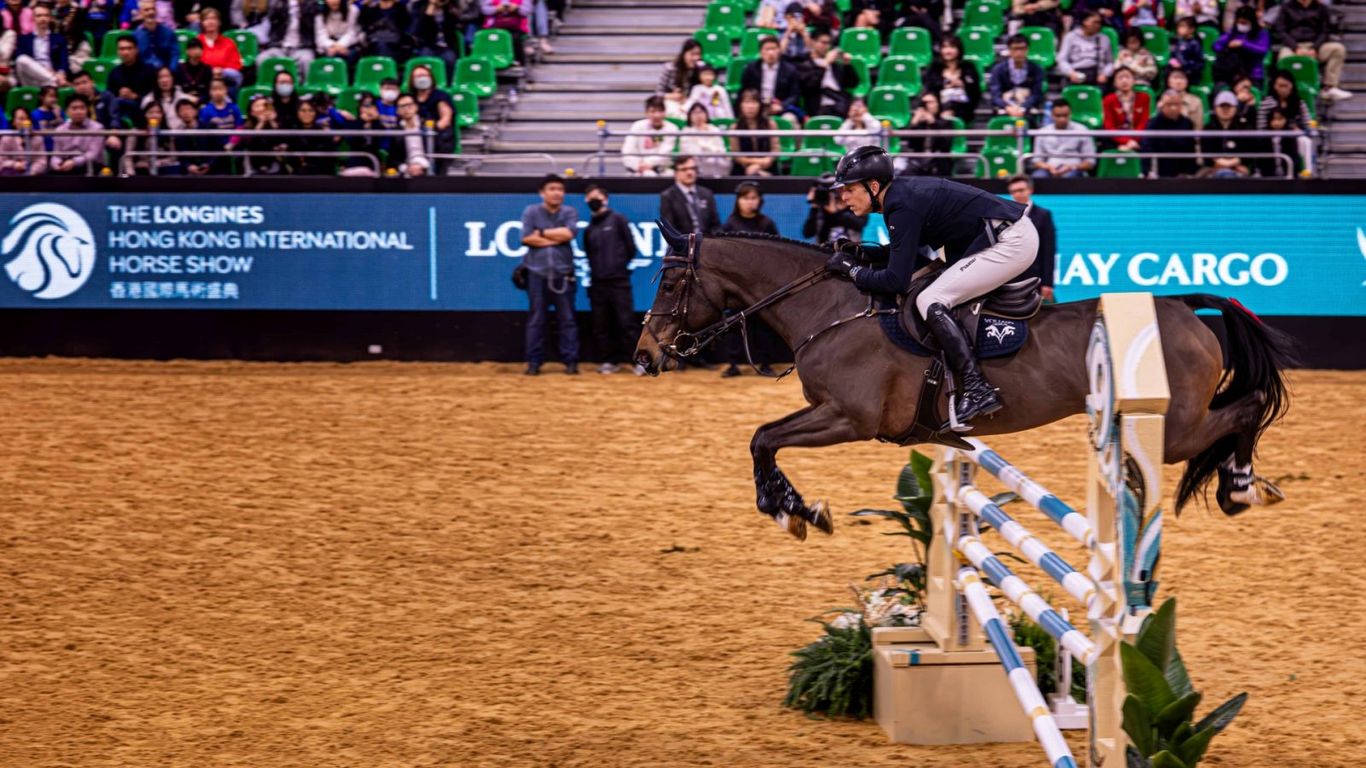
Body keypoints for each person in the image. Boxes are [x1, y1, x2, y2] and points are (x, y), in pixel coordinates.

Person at [822, 146, 1039, 428]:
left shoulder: (900, 205)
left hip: (1010, 241)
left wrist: (852, 270)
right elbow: (907, 255)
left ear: (873, 186)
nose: (843, 196)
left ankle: (977, 389)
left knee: (930, 299)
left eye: (849, 189)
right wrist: (861, 254)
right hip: (998, 236)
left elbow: (895, 280)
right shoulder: (899, 197)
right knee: (935, 287)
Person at [520, 174, 580, 376]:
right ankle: (533, 363)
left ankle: (571, 361)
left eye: (560, 189)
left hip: (564, 274)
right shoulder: (531, 211)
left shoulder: (569, 211)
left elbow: (569, 234)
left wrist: (542, 233)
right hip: (536, 274)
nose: (556, 193)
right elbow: (527, 238)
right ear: (542, 192)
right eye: (552, 188)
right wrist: (556, 236)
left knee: (568, 320)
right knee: (536, 319)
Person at [719, 180, 780, 378]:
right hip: (737, 284)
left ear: (759, 200)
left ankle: (766, 363)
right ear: (738, 200)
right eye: (745, 198)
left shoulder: (767, 223)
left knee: (764, 326)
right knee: (735, 325)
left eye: (753, 198)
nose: (749, 202)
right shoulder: (729, 225)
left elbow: (777, 252)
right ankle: (733, 364)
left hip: (761, 285)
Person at [581, 183, 639, 374]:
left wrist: (617, 267)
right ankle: (609, 361)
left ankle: (638, 362)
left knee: (626, 323)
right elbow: (589, 254)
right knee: (601, 325)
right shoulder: (589, 229)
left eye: (597, 197)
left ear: (606, 199)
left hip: (619, 282)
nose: (593, 201)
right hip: (598, 284)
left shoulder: (618, 220)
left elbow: (631, 248)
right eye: (589, 198)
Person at [1272, 0, 1351, 102]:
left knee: (1338, 49)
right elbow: (1281, 30)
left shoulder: (1321, 8)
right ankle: (1286, 90)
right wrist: (1295, 48)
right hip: (1292, 45)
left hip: (1315, 45)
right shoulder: (1286, 7)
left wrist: (1315, 48)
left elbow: (1325, 31)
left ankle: (1329, 87)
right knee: (1284, 59)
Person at [1005, 176, 1055, 304]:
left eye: (1021, 190)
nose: (1017, 194)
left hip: (1034, 277)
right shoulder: (1004, 215)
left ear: (1030, 190)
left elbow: (1048, 251)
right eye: (1013, 191)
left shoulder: (1043, 215)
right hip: (1008, 276)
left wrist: (1047, 283)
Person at [796, 27, 859, 117]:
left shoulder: (835, 64)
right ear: (812, 42)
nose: (827, 46)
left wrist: (847, 65)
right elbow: (810, 87)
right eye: (823, 43)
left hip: (840, 103)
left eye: (829, 43)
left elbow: (853, 83)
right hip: (819, 106)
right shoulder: (804, 64)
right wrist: (825, 64)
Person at [740, 35, 802, 121]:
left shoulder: (790, 70)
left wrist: (782, 106)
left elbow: (794, 95)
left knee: (790, 119)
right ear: (761, 52)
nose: (771, 53)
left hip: (781, 108)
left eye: (773, 49)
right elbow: (744, 91)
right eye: (767, 49)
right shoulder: (751, 69)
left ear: (779, 50)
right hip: (757, 107)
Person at [1030, 99, 1096, 178]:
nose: (1062, 119)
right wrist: (1048, 167)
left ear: (1070, 114)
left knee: (1069, 177)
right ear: (1052, 115)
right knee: (1038, 176)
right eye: (1058, 116)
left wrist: (1072, 167)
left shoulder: (1082, 130)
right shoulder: (1042, 132)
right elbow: (1037, 161)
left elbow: (1090, 163)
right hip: (1049, 167)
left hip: (1074, 169)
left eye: (1065, 115)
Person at [659, 155, 721, 238]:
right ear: (676, 173)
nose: (689, 172)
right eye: (684, 169)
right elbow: (670, 229)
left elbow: (715, 225)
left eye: (692, 168)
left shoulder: (706, 193)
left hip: (707, 244)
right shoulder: (668, 196)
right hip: (682, 246)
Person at [1140, 89, 1198, 176]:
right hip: (1160, 170)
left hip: (1182, 172)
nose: (1173, 108)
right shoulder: (1153, 124)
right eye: (1169, 104)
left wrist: (1189, 172)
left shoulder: (1187, 123)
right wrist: (1147, 171)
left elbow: (1191, 149)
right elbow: (1147, 148)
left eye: (1176, 104)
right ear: (1162, 105)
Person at [923, 36, 981, 121]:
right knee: (921, 113)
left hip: (962, 107)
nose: (948, 51)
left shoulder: (968, 67)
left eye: (952, 47)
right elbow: (929, 88)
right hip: (938, 104)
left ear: (959, 50)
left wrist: (962, 85)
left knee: (950, 109)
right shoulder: (934, 68)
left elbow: (976, 92)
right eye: (944, 47)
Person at [1197, 89, 1253, 177]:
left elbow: (1249, 149)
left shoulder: (1244, 127)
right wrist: (1220, 163)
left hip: (1239, 166)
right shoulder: (1208, 128)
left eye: (1229, 106)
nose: (1225, 110)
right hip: (1213, 167)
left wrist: (1234, 162)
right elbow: (1206, 152)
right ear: (1215, 108)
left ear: (1236, 108)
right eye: (1222, 106)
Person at [989, 34, 1046, 119]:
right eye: (1015, 49)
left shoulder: (1036, 69)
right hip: (1005, 109)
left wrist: (1023, 108)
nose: (1019, 52)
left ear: (1027, 49)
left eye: (1022, 49)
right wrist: (1008, 107)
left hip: (1027, 109)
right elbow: (995, 95)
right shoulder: (998, 70)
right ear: (1009, 50)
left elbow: (1036, 94)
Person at [620, 95, 679, 176]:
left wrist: (648, 164)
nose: (657, 115)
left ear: (665, 112)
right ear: (646, 113)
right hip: (638, 169)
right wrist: (637, 166)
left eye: (660, 111)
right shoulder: (637, 126)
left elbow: (666, 153)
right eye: (653, 111)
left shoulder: (672, 128)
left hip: (662, 170)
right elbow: (627, 150)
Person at [410, 63, 455, 169]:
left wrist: (432, 130)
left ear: (431, 78)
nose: (422, 78)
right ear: (412, 80)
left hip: (438, 138)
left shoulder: (440, 95)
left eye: (425, 75)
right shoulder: (410, 98)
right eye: (418, 76)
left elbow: (446, 119)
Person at [46, 94, 105, 174]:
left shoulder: (97, 128)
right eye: (74, 108)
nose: (78, 112)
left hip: (90, 165)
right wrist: (56, 164)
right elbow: (56, 154)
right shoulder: (60, 130)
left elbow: (93, 154)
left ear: (87, 110)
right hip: (66, 164)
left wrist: (74, 162)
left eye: (82, 108)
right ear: (67, 111)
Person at [1213, 6, 1271, 87]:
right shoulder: (1233, 32)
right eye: (1239, 22)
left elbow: (1263, 49)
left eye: (1245, 23)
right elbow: (1216, 46)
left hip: (1253, 75)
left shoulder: (1262, 33)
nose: (1241, 25)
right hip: (1232, 75)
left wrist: (1243, 44)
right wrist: (1230, 38)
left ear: (1252, 21)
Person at [14, 3, 69, 87]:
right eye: (39, 16)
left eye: (46, 15)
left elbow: (64, 60)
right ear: (33, 18)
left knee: (59, 74)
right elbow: (21, 65)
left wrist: (60, 72)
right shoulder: (23, 39)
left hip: (51, 77)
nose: (43, 19)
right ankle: (55, 82)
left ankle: (53, 82)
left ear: (50, 18)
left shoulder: (59, 39)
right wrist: (45, 71)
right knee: (21, 59)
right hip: (31, 80)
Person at [802, 172, 866, 243]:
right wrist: (814, 207)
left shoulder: (854, 206)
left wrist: (835, 213)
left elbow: (859, 224)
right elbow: (807, 233)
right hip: (824, 252)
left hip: (850, 251)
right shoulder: (821, 209)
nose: (834, 191)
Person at [902, 93, 953, 177]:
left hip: (938, 160)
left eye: (931, 102)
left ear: (938, 104)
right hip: (919, 160)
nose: (927, 105)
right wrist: (914, 123)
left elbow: (945, 145)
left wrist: (933, 123)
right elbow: (911, 144)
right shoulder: (919, 123)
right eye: (925, 102)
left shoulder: (946, 122)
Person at [1056, 12, 1113, 87]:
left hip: (1097, 74)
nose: (1098, 25)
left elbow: (1110, 62)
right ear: (1085, 22)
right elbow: (1062, 60)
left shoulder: (1104, 39)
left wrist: (1105, 74)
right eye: (1095, 22)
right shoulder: (1070, 37)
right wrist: (1070, 73)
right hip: (1076, 71)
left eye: (1099, 23)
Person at [340, 93, 391, 176]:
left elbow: (379, 141)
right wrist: (362, 122)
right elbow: (352, 140)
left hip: (372, 162)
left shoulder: (378, 125)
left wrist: (376, 120)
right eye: (365, 105)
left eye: (371, 106)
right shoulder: (352, 123)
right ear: (360, 108)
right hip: (355, 162)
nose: (368, 109)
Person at [729, 88, 776, 176]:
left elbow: (775, 150)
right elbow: (736, 155)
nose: (750, 106)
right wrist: (756, 163)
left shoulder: (770, 124)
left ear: (760, 105)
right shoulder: (734, 127)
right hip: (743, 168)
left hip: (767, 166)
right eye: (747, 102)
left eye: (754, 102)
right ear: (741, 105)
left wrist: (761, 164)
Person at [262, 0, 316, 72]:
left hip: (302, 47)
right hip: (279, 46)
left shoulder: (310, 4)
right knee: (262, 59)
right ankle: (265, 82)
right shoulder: (278, 3)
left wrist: (302, 9)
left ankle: (305, 83)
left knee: (307, 60)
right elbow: (271, 19)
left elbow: (312, 26)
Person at [412, 0, 462, 76]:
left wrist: (447, 6)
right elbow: (420, 29)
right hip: (427, 44)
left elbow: (454, 25)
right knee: (425, 58)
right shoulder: (418, 6)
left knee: (450, 59)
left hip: (446, 45)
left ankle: (448, 84)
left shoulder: (450, 5)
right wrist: (431, 7)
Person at [1103, 66, 1149, 150]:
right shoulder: (1108, 100)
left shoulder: (1144, 97)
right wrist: (1126, 141)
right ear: (1114, 83)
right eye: (1120, 78)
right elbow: (1110, 126)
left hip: (1138, 139)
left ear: (1134, 80)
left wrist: (1133, 141)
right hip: (1117, 139)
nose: (1124, 80)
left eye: (1127, 77)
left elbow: (1143, 123)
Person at [678, 102, 729, 178]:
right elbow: (693, 152)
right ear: (689, 116)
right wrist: (710, 150)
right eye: (695, 113)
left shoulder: (714, 129)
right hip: (696, 162)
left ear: (707, 114)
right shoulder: (686, 131)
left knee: (723, 161)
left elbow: (721, 149)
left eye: (701, 112)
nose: (698, 116)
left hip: (715, 161)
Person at [197, 8, 242, 91]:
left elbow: (236, 64)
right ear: (202, 23)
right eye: (206, 19)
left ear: (219, 22)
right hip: (203, 77)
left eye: (213, 18)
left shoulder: (228, 42)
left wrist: (221, 71)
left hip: (224, 77)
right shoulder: (197, 42)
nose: (210, 22)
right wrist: (210, 71)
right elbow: (194, 63)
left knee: (235, 75)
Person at [132, 0, 177, 72]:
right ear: (140, 13)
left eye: (153, 9)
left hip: (165, 74)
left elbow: (174, 54)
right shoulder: (136, 35)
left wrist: (171, 71)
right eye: (147, 10)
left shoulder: (168, 32)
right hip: (144, 75)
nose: (151, 12)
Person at [315, 0, 362, 67]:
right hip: (329, 44)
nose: (334, 1)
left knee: (350, 55)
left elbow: (352, 32)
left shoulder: (352, 10)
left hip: (348, 44)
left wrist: (340, 45)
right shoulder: (319, 13)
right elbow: (320, 35)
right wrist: (332, 45)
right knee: (329, 57)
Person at [392, 92, 430, 176]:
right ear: (397, 111)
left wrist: (423, 165)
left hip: (428, 167)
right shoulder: (395, 132)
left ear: (416, 107)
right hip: (407, 170)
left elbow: (438, 149)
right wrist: (406, 168)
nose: (406, 109)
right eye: (402, 107)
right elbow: (393, 159)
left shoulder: (428, 126)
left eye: (409, 105)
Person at [0, 106, 45, 175]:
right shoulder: (6, 139)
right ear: (13, 122)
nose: (25, 122)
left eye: (27, 119)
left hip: (33, 175)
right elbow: (1, 161)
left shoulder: (38, 138)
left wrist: (32, 171)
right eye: (21, 119)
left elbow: (42, 161)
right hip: (11, 174)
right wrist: (14, 164)